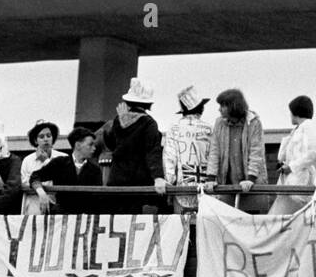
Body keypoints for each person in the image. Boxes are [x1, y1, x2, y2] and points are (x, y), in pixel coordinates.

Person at [98, 78, 167, 214]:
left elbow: (112, 145)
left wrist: (121, 127)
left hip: (117, 181)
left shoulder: (118, 120)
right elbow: (153, 151)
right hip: (139, 183)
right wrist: (158, 177)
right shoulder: (149, 123)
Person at [205, 88, 267, 213]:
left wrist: (250, 179)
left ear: (232, 106)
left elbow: (256, 152)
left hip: (251, 188)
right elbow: (214, 151)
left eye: (222, 106)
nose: (219, 109)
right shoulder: (219, 123)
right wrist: (211, 179)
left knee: (251, 224)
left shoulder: (254, 123)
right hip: (228, 187)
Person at [162, 86, 214, 214]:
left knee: (182, 228)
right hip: (207, 188)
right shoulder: (210, 129)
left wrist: (169, 183)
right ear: (200, 108)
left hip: (181, 189)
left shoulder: (174, 129)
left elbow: (169, 158)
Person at [29, 126, 103, 215]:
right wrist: (41, 192)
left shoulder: (95, 169)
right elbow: (35, 176)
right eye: (90, 144)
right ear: (78, 145)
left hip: (85, 218)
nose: (94, 148)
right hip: (62, 217)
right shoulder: (59, 163)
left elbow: (98, 198)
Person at [270, 95, 316, 216]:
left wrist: (292, 167)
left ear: (296, 112)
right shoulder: (298, 129)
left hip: (300, 181)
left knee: (283, 216)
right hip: (291, 181)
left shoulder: (309, 127)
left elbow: (312, 153)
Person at [19, 120, 66, 215]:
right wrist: (40, 191)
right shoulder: (28, 160)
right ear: (36, 140)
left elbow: (63, 179)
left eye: (49, 136)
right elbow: (25, 183)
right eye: (41, 136)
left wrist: (46, 161)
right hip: (34, 204)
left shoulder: (63, 158)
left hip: (57, 205)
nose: (46, 139)